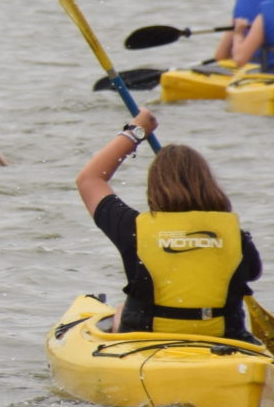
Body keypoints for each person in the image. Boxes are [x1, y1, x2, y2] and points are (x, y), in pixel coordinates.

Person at [75, 108, 261, 340]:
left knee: (120, 311)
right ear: (208, 184)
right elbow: (253, 273)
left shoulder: (134, 229)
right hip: (224, 340)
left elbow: (89, 179)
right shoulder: (235, 236)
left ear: (154, 186)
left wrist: (136, 131)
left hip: (147, 340)